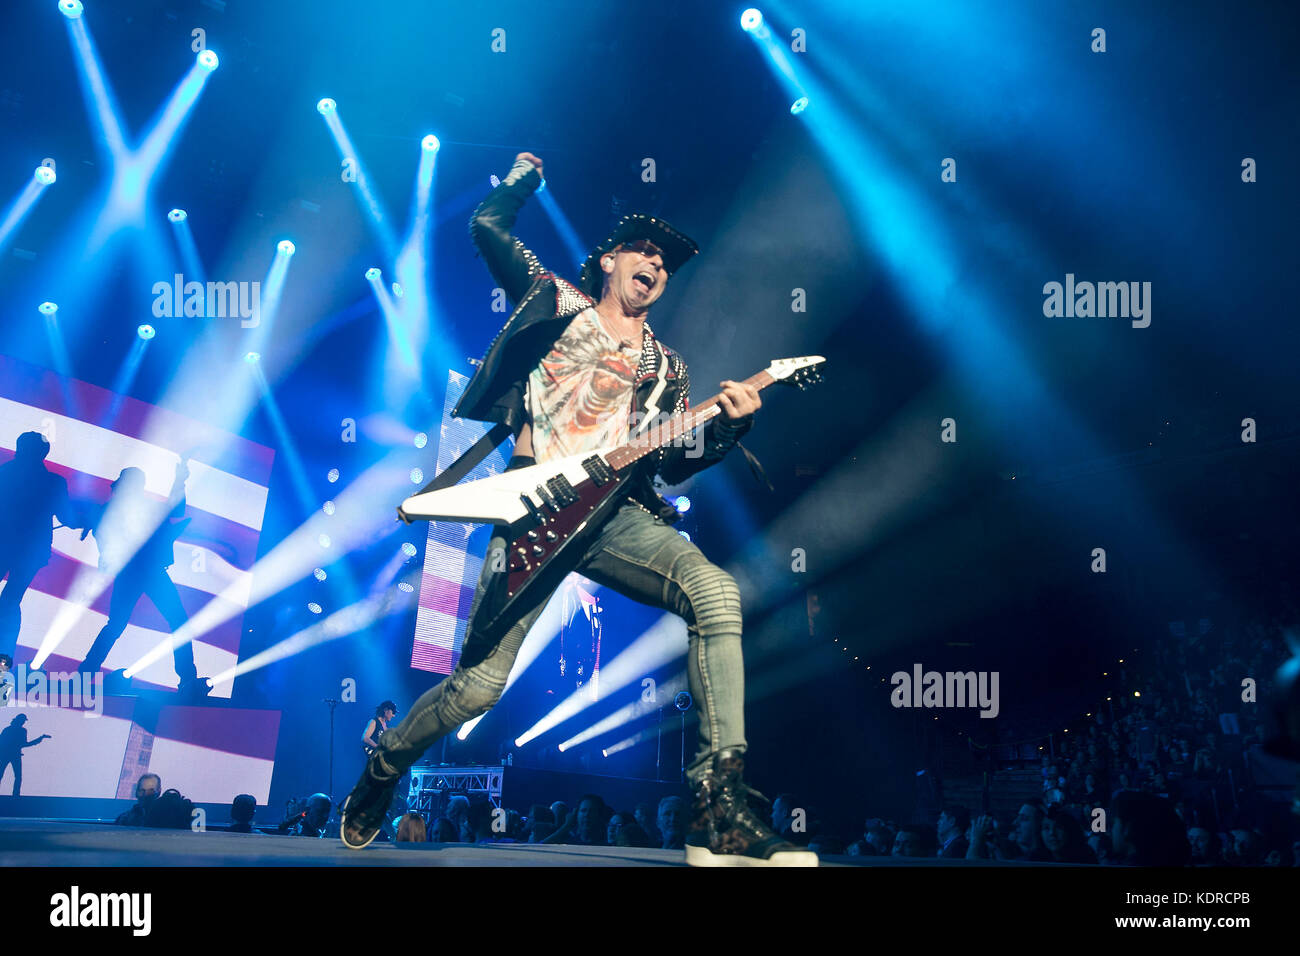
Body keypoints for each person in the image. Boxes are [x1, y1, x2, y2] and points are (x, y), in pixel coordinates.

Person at [341, 152, 813, 867]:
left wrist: (733, 423)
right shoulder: (556, 302)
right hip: (534, 511)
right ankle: (384, 767)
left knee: (715, 593)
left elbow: (677, 460)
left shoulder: (668, 367)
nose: (655, 264)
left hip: (617, 515)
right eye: (643, 251)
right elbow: (488, 227)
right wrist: (521, 183)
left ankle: (718, 807)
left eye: (666, 262)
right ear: (610, 260)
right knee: (476, 690)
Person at [78, 462, 201, 691]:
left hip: (138, 573)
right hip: (146, 573)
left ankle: (87, 671)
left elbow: (174, 511)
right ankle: (187, 679)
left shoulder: (116, 508)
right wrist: (179, 480)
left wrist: (179, 480)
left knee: (118, 624)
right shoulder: (123, 509)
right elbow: (175, 511)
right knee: (174, 622)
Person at [0, 432, 83, 657]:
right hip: (30, 553)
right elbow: (67, 517)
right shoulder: (53, 482)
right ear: (43, 453)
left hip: (5, 546)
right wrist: (87, 520)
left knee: (9, 602)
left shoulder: (4, 473)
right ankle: (4, 656)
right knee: (10, 602)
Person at [0, 714, 51, 795]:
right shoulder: (15, 730)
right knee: (15, 776)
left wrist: (40, 738)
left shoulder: (11, 730)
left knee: (15, 776)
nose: (24, 722)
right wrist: (40, 739)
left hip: (10, 755)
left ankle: (16, 795)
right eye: (23, 720)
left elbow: (23, 744)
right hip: (10, 755)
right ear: (19, 720)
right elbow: (23, 744)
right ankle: (16, 795)